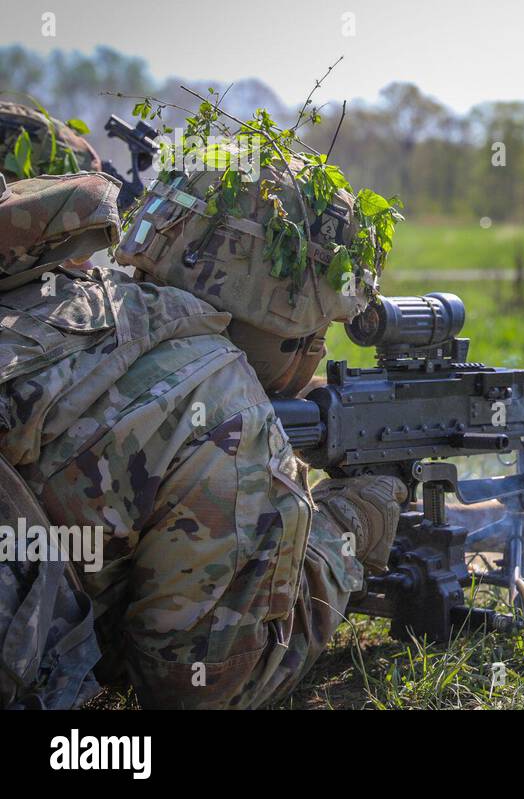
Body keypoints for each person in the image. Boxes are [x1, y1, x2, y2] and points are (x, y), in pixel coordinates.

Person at [0, 107, 406, 708]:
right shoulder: (222, 408)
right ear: (288, 323)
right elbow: (204, 688)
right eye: (320, 330)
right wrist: (347, 528)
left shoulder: (50, 293)